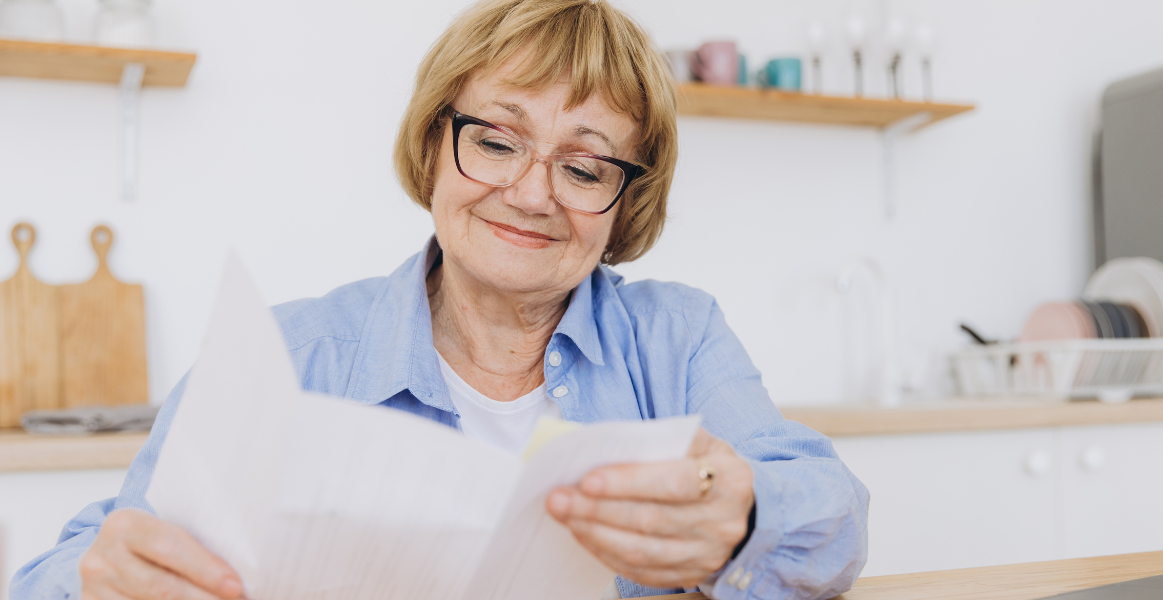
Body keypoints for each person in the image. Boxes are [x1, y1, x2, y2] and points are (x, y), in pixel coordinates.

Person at [12, 1, 868, 598]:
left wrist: (743, 516)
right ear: (433, 149)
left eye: (583, 167)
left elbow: (834, 515)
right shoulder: (287, 357)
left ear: (624, 201)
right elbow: (75, 565)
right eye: (495, 142)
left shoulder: (677, 338)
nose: (531, 194)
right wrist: (101, 580)